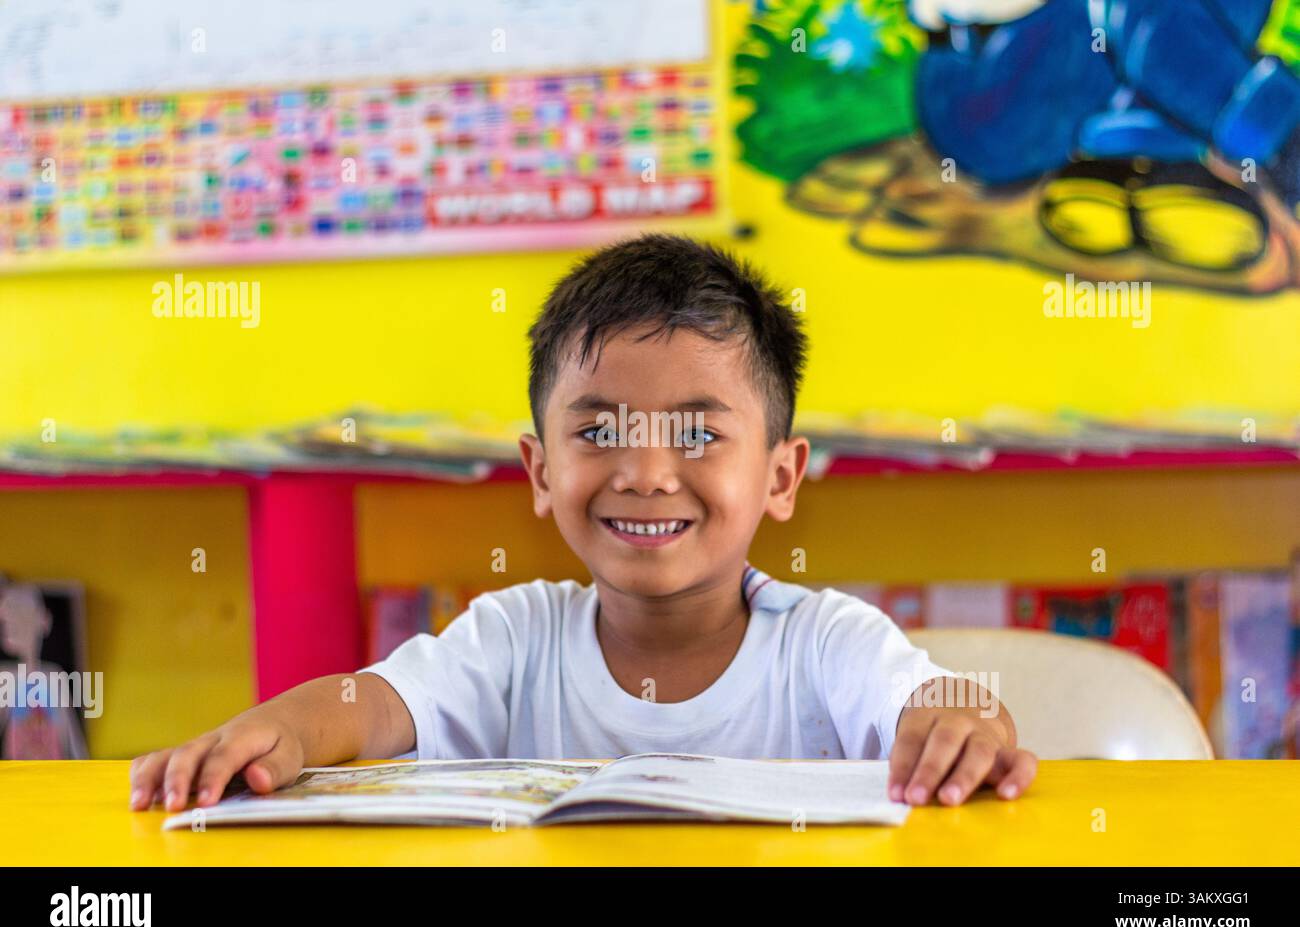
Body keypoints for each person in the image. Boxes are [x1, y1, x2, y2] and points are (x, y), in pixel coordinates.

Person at [129, 234, 1037, 814]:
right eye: (598, 430)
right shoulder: (512, 638)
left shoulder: (826, 643)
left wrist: (968, 723)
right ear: (540, 470)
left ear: (780, 476)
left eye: (697, 432)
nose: (644, 473)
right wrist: (284, 729)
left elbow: (932, 698)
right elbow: (370, 708)